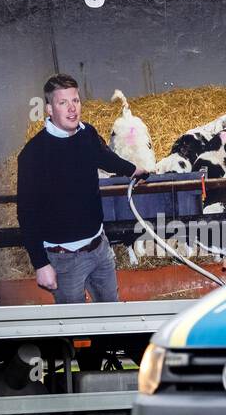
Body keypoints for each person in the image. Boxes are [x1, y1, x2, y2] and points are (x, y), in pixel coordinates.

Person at [16, 73, 148, 304]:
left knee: (111, 313)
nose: (72, 109)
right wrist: (40, 264)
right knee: (75, 325)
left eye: (75, 100)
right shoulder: (33, 154)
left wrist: (133, 170)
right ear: (49, 109)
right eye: (62, 102)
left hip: (99, 247)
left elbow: (105, 158)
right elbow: (26, 214)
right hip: (64, 258)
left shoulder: (87, 134)